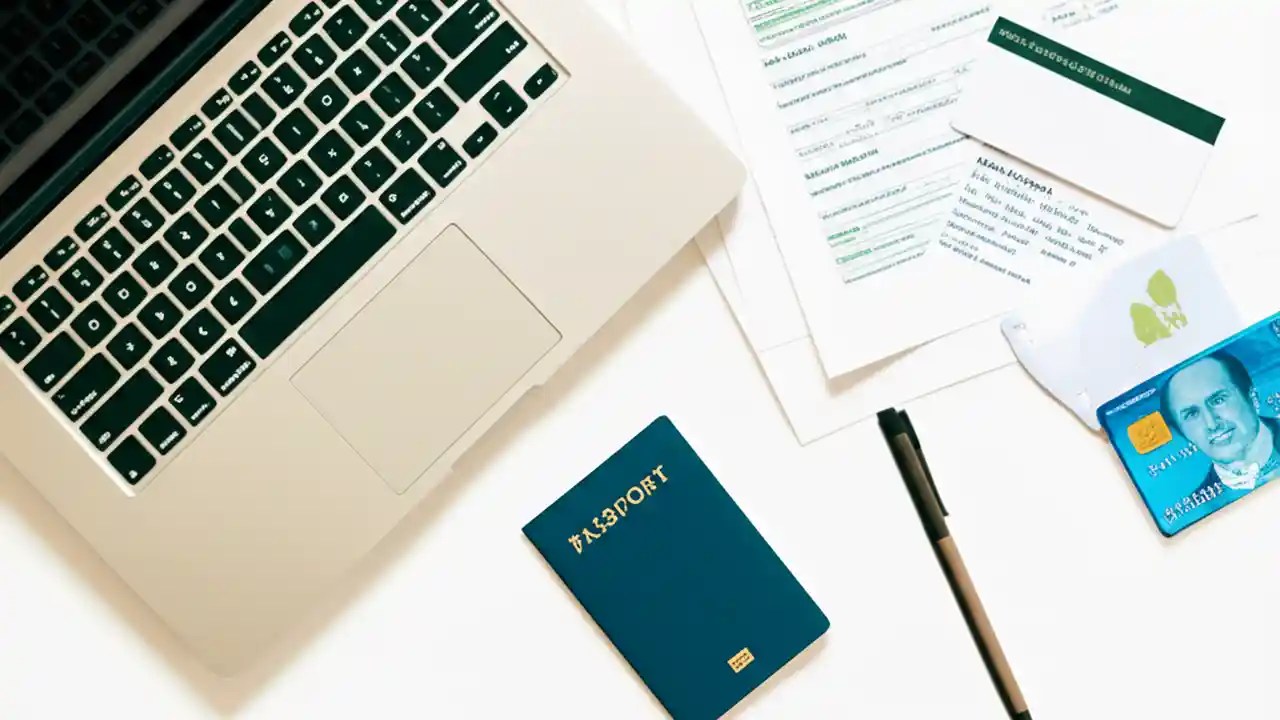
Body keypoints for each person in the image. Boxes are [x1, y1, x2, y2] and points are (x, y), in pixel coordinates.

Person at [1160, 351, 1280, 492]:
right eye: (1192, 414)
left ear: (1252, 397)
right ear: (1182, 432)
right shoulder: (1202, 507)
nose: (1211, 424)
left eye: (1218, 400)